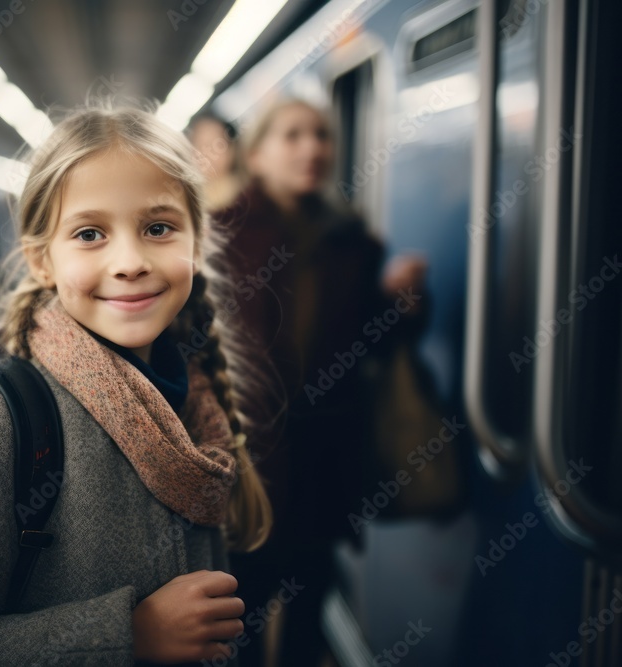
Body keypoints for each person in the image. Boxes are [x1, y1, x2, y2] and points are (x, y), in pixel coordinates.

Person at [0, 106, 273, 666]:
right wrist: (130, 634)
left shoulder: (197, 398)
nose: (129, 261)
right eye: (89, 233)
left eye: (158, 228)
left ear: (196, 243)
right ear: (41, 260)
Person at [216, 99, 428, 667]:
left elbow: (372, 346)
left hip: (325, 458)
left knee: (309, 601)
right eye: (292, 135)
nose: (313, 148)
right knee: (242, 611)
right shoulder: (218, 237)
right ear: (256, 154)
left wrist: (403, 308)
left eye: (322, 135)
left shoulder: (352, 241)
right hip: (247, 459)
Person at [188, 112, 245, 213]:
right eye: (199, 145)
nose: (205, 154)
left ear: (231, 149)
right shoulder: (190, 205)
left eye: (215, 146)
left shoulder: (247, 196)